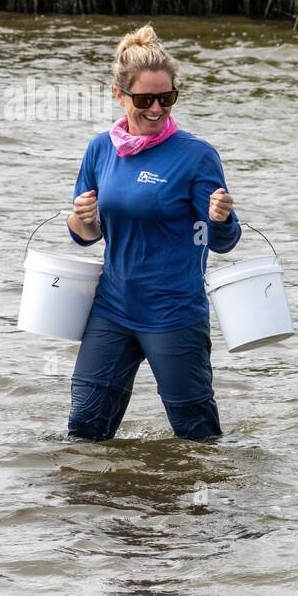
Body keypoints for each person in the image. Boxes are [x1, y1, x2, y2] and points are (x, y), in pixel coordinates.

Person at [65, 25, 242, 441]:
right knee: (85, 432)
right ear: (119, 95)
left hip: (173, 313)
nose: (157, 108)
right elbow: (85, 234)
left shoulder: (196, 156)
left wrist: (220, 218)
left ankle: (202, 504)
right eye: (145, 99)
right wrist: (82, 218)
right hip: (112, 309)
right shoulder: (100, 149)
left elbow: (224, 242)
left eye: (168, 98)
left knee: (196, 439)